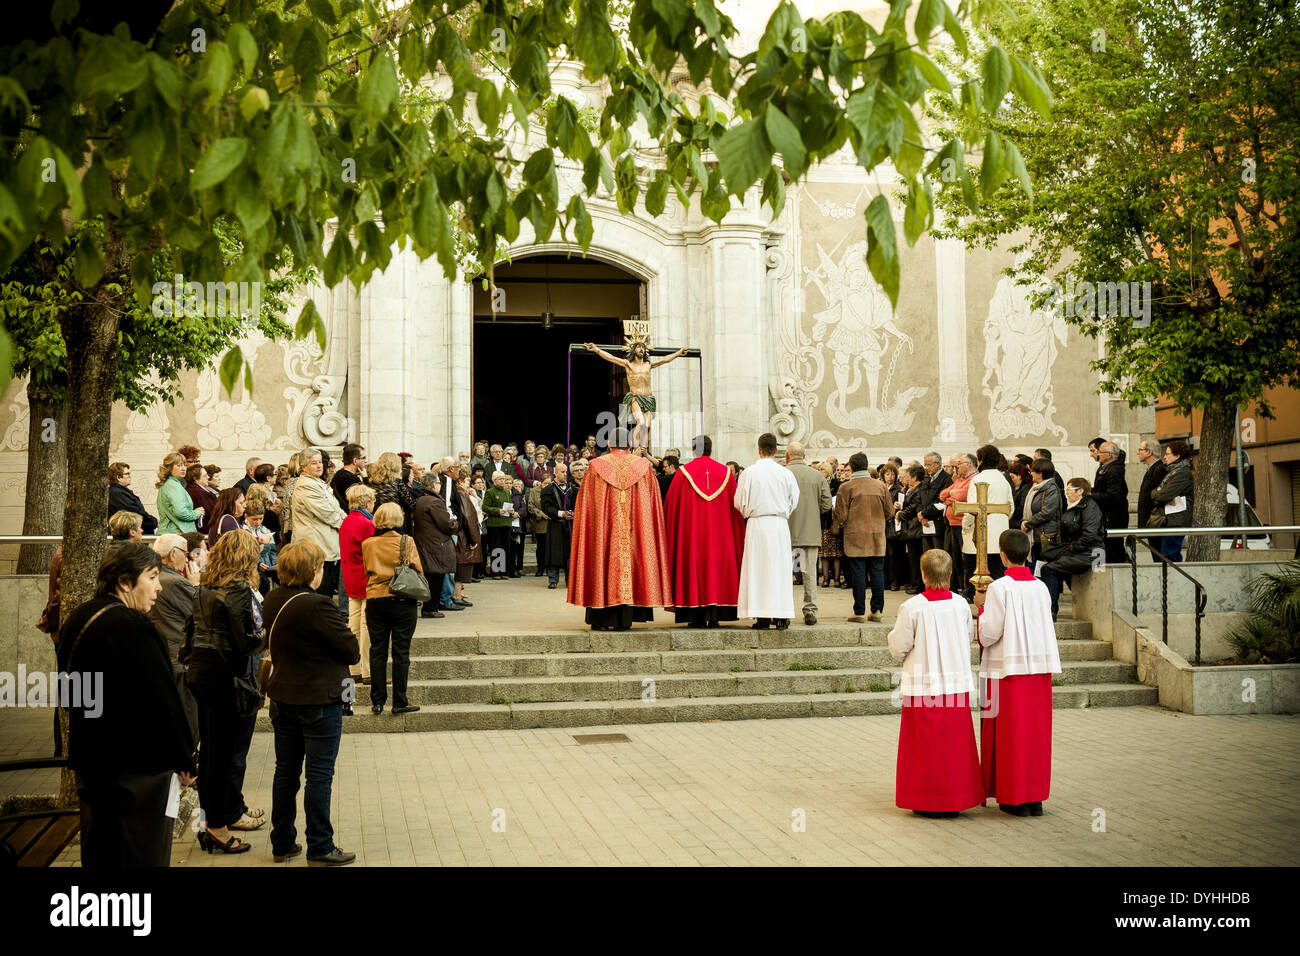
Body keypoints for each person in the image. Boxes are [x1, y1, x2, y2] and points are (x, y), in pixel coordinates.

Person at [59, 543, 197, 866]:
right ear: (124, 582)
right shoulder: (136, 628)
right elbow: (165, 701)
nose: (159, 586)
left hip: (91, 764)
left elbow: (69, 695)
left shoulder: (79, 617)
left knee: (101, 852)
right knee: (141, 854)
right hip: (138, 773)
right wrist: (186, 759)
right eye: (152, 577)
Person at [263, 540, 360, 865]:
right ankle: (320, 845)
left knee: (285, 772)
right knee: (319, 774)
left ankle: (282, 842)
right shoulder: (318, 605)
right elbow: (350, 650)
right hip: (318, 699)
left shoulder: (272, 598)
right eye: (320, 566)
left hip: (283, 696)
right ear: (312, 571)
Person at [887, 549, 984, 818]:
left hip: (923, 685)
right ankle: (956, 797)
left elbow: (899, 647)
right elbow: (968, 637)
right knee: (954, 745)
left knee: (924, 746)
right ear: (951, 574)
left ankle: (925, 798)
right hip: (954, 682)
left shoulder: (912, 607)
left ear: (922, 574)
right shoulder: (960, 605)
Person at [187, 530, 266, 854]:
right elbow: (246, 641)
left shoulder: (205, 586)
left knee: (210, 755)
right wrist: (267, 633)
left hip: (202, 669)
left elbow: (191, 633)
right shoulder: (235, 590)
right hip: (223, 675)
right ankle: (216, 827)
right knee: (219, 756)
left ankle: (212, 822)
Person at [978, 530, 1062, 816]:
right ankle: (1034, 798)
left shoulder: (999, 588)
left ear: (1002, 554)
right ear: (1027, 553)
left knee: (1012, 734)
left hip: (1008, 670)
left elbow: (989, 633)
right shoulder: (1040, 587)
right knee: (1034, 734)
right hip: (1038, 669)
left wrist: (980, 613)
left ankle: (1014, 797)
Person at [567, 426, 673, 630]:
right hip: (635, 532)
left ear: (608, 445)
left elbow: (586, 506)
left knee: (603, 560)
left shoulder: (596, 466)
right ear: (630, 444)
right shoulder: (643, 466)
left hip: (605, 533)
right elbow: (652, 505)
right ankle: (626, 618)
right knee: (635, 560)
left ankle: (601, 617)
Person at [664, 434, 746, 628]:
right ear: (711, 450)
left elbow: (670, 508)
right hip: (721, 538)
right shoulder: (726, 474)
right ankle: (717, 614)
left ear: (693, 450)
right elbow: (737, 509)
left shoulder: (683, 474)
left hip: (691, 538)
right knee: (719, 570)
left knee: (694, 569)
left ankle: (695, 616)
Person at [362, 502, 423, 715]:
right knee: (401, 651)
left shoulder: (368, 543)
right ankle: (399, 701)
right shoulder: (407, 541)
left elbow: (366, 570)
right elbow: (417, 568)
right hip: (401, 599)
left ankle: (377, 701)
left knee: (377, 650)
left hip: (375, 599)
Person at [735, 432, 800, 630]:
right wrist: (783, 512)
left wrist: (749, 512)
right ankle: (781, 616)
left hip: (757, 525)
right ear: (776, 450)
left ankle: (761, 617)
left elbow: (739, 501)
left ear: (759, 450)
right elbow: (794, 500)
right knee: (779, 571)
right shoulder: (786, 473)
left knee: (758, 571)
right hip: (779, 525)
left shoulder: (749, 473)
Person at [148, 534, 202, 740]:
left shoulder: (157, 578)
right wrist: (196, 586)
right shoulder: (174, 582)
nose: (189, 559)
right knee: (188, 723)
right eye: (186, 553)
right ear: (173, 554)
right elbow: (202, 613)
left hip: (164, 659)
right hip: (178, 662)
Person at [832, 453, 893, 623]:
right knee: (877, 574)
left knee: (858, 574)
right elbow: (890, 512)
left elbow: (841, 516)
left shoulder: (846, 487)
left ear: (851, 467)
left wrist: (838, 516)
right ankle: (877, 611)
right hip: (876, 537)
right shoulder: (880, 486)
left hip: (855, 536)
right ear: (866, 465)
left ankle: (859, 612)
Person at [1040, 477, 1105, 619]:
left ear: (1080, 491)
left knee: (1049, 569)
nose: (1067, 493)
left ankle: (1050, 611)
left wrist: (1071, 549)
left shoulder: (1089, 506)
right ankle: (1050, 609)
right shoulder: (1074, 506)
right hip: (1078, 550)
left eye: (1069, 490)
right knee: (1045, 560)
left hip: (1092, 553)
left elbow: (1090, 535)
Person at [291, 446, 348, 598]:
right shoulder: (306, 485)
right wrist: (347, 525)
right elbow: (327, 513)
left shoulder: (317, 482)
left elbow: (336, 507)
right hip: (316, 545)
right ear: (304, 467)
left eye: (320, 462)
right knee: (319, 592)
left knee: (326, 590)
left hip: (326, 545)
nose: (319, 466)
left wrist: (345, 518)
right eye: (314, 463)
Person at [785, 441, 831, 625]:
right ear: (804, 456)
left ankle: (784, 612)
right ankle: (810, 611)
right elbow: (827, 505)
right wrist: (812, 511)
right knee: (809, 573)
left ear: (788, 455)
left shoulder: (783, 473)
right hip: (810, 532)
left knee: (786, 573)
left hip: (787, 531)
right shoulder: (817, 476)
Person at [960, 444, 1014, 596]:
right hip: (999, 537)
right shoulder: (1003, 480)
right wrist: (1000, 521)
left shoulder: (977, 479)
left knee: (978, 576)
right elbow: (1010, 507)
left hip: (978, 537)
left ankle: (980, 604)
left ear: (981, 460)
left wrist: (965, 527)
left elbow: (972, 509)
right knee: (997, 574)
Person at [340, 483, 377, 686]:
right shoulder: (365, 523)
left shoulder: (347, 520)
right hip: (365, 577)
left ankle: (354, 668)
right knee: (366, 625)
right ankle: (367, 670)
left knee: (353, 624)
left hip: (351, 577)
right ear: (367, 502)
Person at [413, 473, 459, 618]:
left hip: (426, 542)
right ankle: (430, 608)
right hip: (436, 544)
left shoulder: (421, 499)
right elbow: (446, 524)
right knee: (436, 577)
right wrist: (455, 523)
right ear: (433, 485)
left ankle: (430, 607)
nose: (440, 485)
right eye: (439, 483)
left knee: (431, 576)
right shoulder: (434, 502)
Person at [1150, 439, 1194, 562]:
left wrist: (1159, 493)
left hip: (1175, 521)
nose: (1164, 457)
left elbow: (1163, 495)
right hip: (1167, 520)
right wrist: (1158, 493)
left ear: (1177, 455)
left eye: (1168, 454)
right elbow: (1154, 493)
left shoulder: (1183, 473)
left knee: (1170, 557)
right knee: (1163, 557)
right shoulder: (1172, 471)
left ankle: (1175, 581)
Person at [938, 455, 975, 592]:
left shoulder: (973, 479)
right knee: (954, 558)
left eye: (959, 464)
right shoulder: (960, 479)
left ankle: (966, 588)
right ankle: (957, 586)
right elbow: (942, 495)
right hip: (952, 523)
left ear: (969, 464)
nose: (956, 468)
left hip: (962, 524)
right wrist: (950, 495)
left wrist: (950, 497)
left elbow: (960, 497)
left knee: (964, 558)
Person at [1093, 441, 1129, 565]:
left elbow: (1114, 496)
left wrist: (1091, 496)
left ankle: (1116, 576)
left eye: (1100, 452)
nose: (1098, 454)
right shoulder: (1104, 468)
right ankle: (1100, 573)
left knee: (1113, 550)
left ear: (1109, 455)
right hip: (1104, 517)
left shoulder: (1114, 471)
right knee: (1103, 549)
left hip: (1112, 518)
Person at [1022, 458, 1062, 569]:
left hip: (1045, 537)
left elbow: (1047, 512)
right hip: (1035, 535)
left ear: (1040, 474)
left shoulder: (1051, 488)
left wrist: (1028, 524)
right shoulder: (1035, 488)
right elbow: (1028, 509)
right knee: (1035, 570)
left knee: (1046, 571)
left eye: (1033, 471)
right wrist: (1024, 521)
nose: (1031, 473)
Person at [539, 463, 571, 589]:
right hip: (555, 525)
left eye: (566, 472)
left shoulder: (573, 489)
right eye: (562, 472)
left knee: (569, 554)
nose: (565, 474)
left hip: (569, 526)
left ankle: (570, 580)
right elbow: (546, 508)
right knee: (553, 553)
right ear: (556, 473)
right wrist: (561, 513)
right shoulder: (548, 490)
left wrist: (573, 513)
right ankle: (553, 580)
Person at [896, 464, 927, 594]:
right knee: (912, 558)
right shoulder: (911, 489)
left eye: (908, 476)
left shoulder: (919, 490)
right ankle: (914, 583)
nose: (906, 479)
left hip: (915, 529)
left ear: (914, 477)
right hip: (910, 528)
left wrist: (900, 514)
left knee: (916, 558)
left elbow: (913, 507)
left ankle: (917, 585)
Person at [156, 452, 204, 534]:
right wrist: (197, 513)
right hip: (177, 533)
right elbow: (181, 513)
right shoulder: (173, 485)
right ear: (170, 468)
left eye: (184, 465)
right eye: (179, 465)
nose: (183, 468)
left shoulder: (169, 483)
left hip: (171, 532)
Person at [1135, 439, 1168, 556]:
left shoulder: (1159, 469)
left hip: (1156, 522)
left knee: (1159, 556)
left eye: (1140, 450)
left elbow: (1159, 496)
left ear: (1149, 452)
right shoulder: (1153, 469)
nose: (1137, 452)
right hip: (1152, 521)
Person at [815, 461, 844, 590]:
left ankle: (837, 579)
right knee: (824, 554)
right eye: (819, 469)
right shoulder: (817, 484)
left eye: (822, 469)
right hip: (822, 522)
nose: (820, 471)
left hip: (834, 522)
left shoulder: (836, 484)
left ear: (828, 470)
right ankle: (826, 579)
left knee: (836, 554)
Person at [878, 462, 906, 592]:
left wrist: (897, 506)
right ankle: (884, 581)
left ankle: (895, 581)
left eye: (893, 474)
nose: (890, 477)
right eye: (887, 474)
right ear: (883, 475)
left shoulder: (899, 488)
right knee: (883, 554)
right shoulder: (879, 487)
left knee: (894, 554)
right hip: (881, 523)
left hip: (893, 524)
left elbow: (901, 504)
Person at [453, 476, 483, 602]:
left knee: (460, 567)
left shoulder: (458, 494)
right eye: (466, 481)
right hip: (464, 536)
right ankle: (456, 594)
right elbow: (468, 519)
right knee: (462, 567)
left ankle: (457, 593)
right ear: (460, 482)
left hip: (461, 534)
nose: (468, 484)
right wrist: (474, 539)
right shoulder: (462, 496)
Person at [108, 462, 158, 534]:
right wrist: (153, 522)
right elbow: (135, 513)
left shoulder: (120, 491)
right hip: (128, 534)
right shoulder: (117, 493)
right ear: (118, 477)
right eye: (127, 474)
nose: (130, 476)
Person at [481, 471, 514, 580]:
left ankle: (504, 571)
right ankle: (495, 572)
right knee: (496, 548)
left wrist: (511, 510)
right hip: (495, 524)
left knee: (505, 548)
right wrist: (497, 511)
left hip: (506, 523)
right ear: (494, 481)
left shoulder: (506, 492)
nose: (503, 481)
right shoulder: (490, 492)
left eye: (503, 479)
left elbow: (509, 504)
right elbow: (485, 507)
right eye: (500, 479)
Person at [918, 451, 950, 553]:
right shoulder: (926, 480)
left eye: (928, 465)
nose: (926, 468)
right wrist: (921, 515)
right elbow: (920, 499)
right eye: (925, 465)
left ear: (937, 464)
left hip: (938, 524)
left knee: (938, 555)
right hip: (924, 523)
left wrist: (924, 514)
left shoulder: (946, 478)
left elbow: (940, 501)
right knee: (927, 556)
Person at [331, 443, 367, 510]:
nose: (366, 461)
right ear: (355, 461)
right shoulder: (351, 479)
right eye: (364, 458)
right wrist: (365, 479)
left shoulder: (338, 474)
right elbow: (365, 502)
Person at [529, 471, 550, 576]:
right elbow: (531, 506)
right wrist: (540, 513)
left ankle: (550, 568)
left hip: (552, 522)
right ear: (541, 483)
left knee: (550, 547)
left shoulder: (553, 491)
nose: (547, 485)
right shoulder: (534, 491)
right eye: (545, 483)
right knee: (541, 547)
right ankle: (540, 567)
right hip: (540, 523)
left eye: (549, 483)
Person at [186, 464, 216, 532]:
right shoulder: (198, 492)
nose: (208, 477)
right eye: (205, 476)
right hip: (204, 530)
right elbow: (211, 513)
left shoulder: (192, 489)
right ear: (196, 479)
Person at [509, 477, 528, 577]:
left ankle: (520, 567)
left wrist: (517, 514)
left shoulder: (522, 497)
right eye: (515, 486)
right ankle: (512, 568)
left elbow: (524, 509)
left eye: (519, 486)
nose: (517, 488)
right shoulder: (511, 495)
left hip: (521, 524)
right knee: (512, 548)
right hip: (511, 524)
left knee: (520, 548)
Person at [1007, 462, 1032, 529]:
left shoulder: (1026, 489)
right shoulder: (1022, 488)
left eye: (1013, 477)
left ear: (1020, 476)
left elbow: (1022, 508)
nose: (1012, 480)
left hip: (1020, 524)